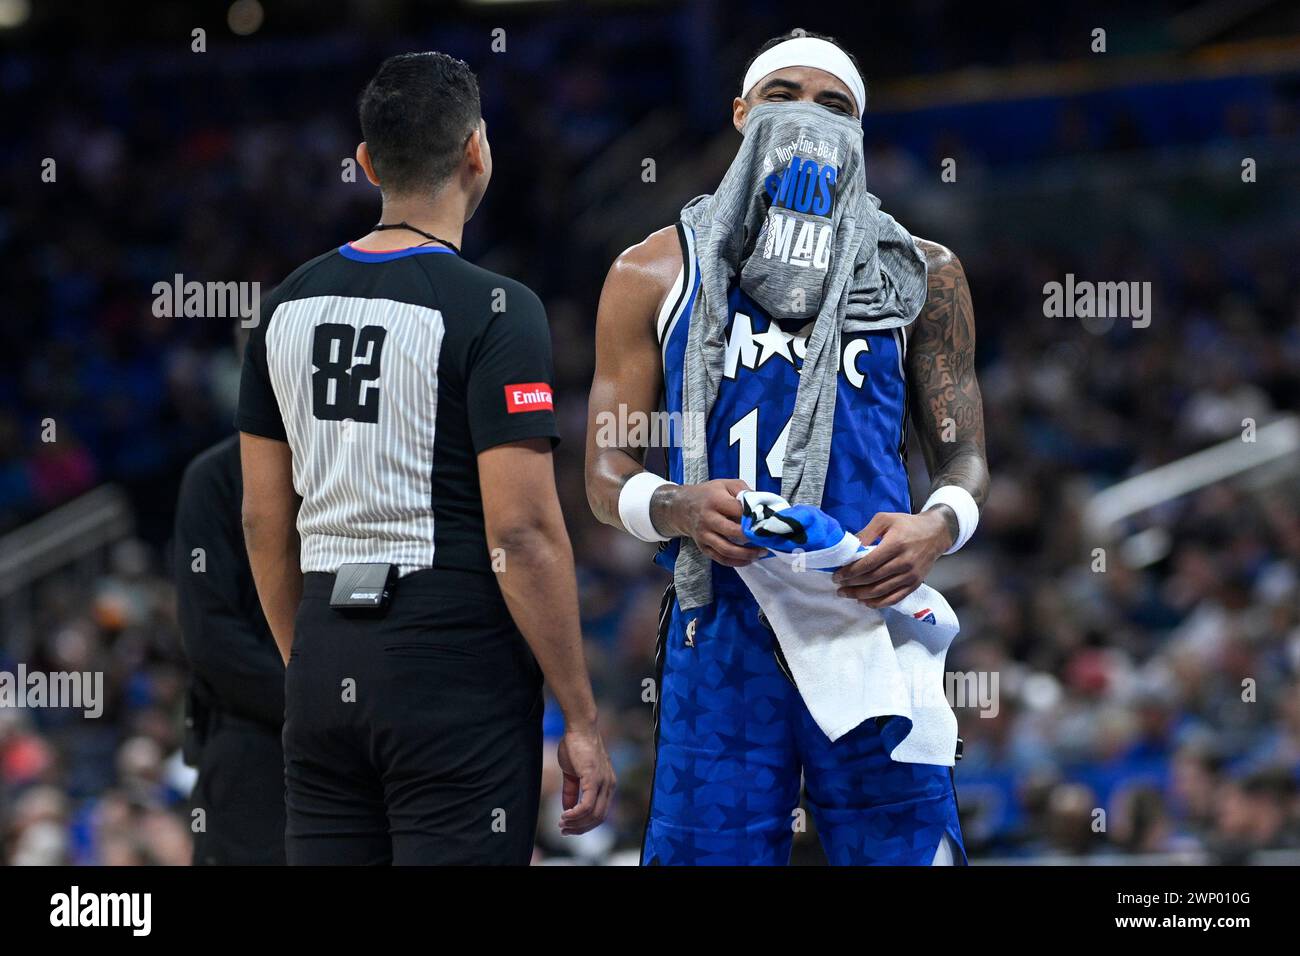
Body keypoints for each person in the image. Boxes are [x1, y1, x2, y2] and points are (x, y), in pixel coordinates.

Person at [585, 29, 988, 865]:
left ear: (860, 136)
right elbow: (603, 470)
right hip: (722, 614)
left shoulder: (921, 270)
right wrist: (672, 506)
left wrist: (936, 526)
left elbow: (964, 458)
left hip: (867, 603)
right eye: (783, 95)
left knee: (905, 854)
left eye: (834, 104)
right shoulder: (653, 270)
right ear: (740, 114)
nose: (808, 115)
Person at [237, 51, 614, 865]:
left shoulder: (284, 306)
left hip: (324, 656)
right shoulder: (498, 310)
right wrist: (579, 716)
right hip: (451, 669)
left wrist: (313, 664)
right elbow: (523, 533)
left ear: (367, 162)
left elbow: (264, 518)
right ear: (477, 151)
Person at [174, 362, 286, 865]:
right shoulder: (215, 478)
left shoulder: (354, 469)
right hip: (253, 741)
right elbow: (211, 640)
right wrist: (315, 703)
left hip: (353, 744)